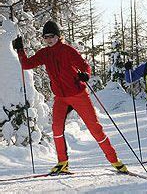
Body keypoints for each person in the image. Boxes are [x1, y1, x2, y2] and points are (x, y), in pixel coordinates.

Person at [13, 20, 127, 174]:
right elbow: (26, 64)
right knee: (56, 128)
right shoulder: (45, 53)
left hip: (78, 95)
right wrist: (20, 49)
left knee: (95, 128)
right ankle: (62, 162)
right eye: (45, 37)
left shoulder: (67, 50)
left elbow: (85, 65)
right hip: (61, 98)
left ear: (58, 36)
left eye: (51, 36)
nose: (48, 39)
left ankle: (115, 161)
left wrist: (85, 75)